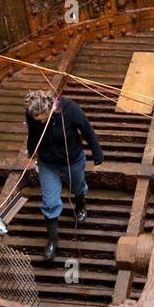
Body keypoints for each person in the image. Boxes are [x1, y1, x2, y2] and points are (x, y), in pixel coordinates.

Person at [24, 89, 103, 262]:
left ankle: (80, 204)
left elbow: (87, 129)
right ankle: (52, 239)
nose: (41, 122)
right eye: (38, 120)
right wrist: (31, 152)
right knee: (50, 201)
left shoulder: (70, 108)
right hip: (47, 162)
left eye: (43, 118)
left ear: (51, 107)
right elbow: (33, 134)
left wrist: (97, 152)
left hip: (72, 159)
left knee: (77, 186)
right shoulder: (32, 115)